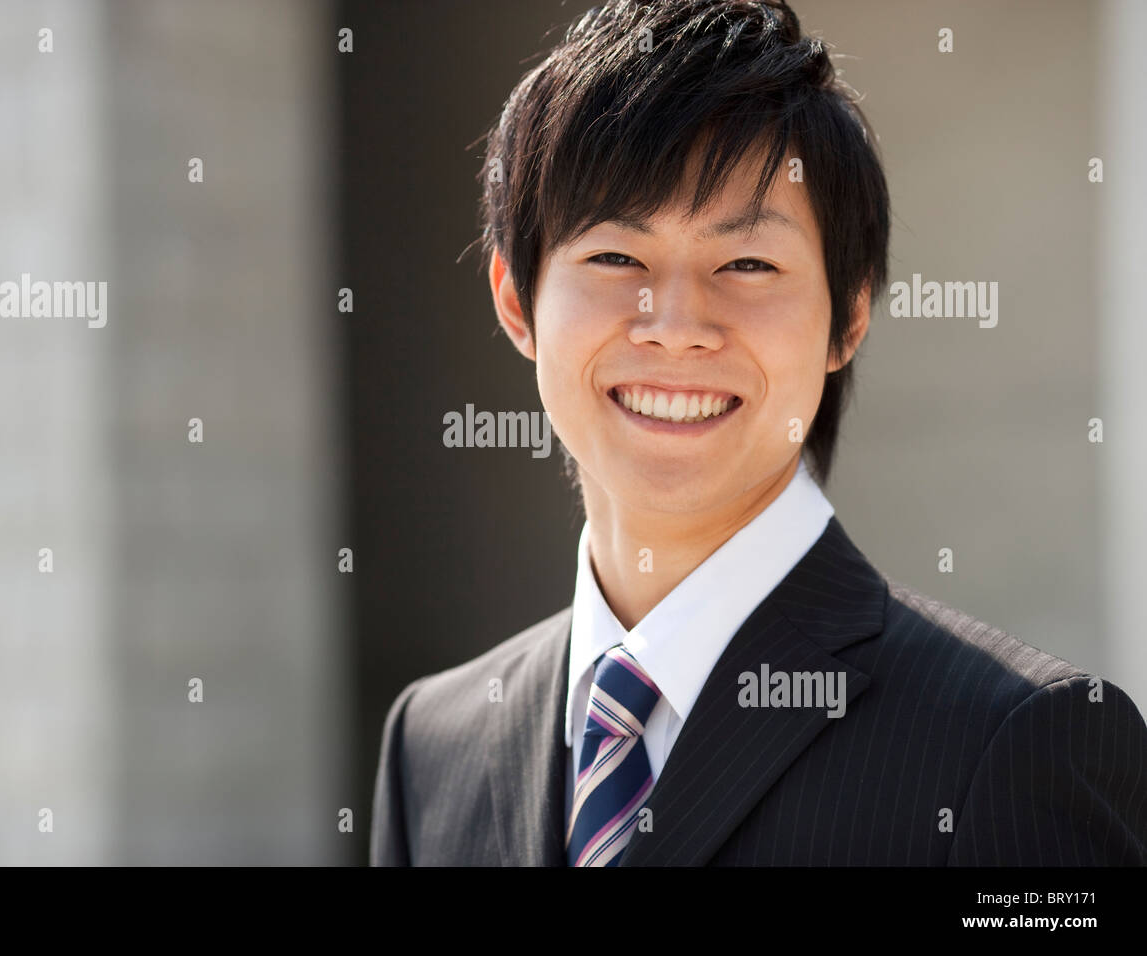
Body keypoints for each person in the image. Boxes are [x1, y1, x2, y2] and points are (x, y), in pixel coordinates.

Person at [370, 0, 1147, 866]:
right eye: (615, 257)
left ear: (847, 318)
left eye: (747, 263)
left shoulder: (1016, 743)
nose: (674, 324)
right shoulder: (431, 747)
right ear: (516, 301)